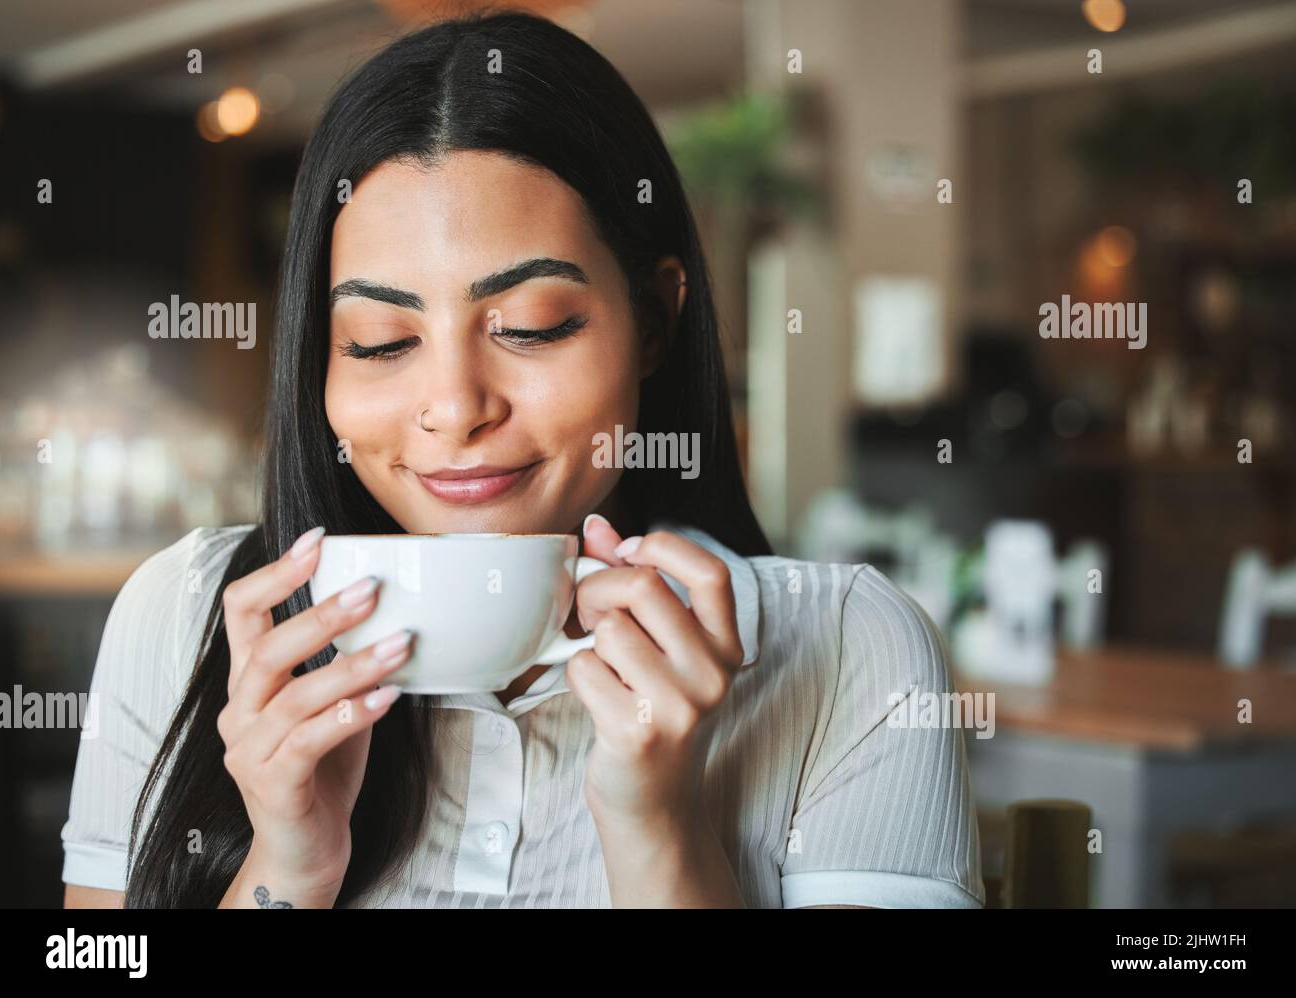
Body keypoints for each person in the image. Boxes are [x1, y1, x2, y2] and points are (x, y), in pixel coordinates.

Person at [61, 9, 983, 909]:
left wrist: (657, 830)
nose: (456, 408)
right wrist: (286, 871)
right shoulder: (182, 619)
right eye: (382, 340)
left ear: (654, 322)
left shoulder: (847, 653)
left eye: (534, 326)